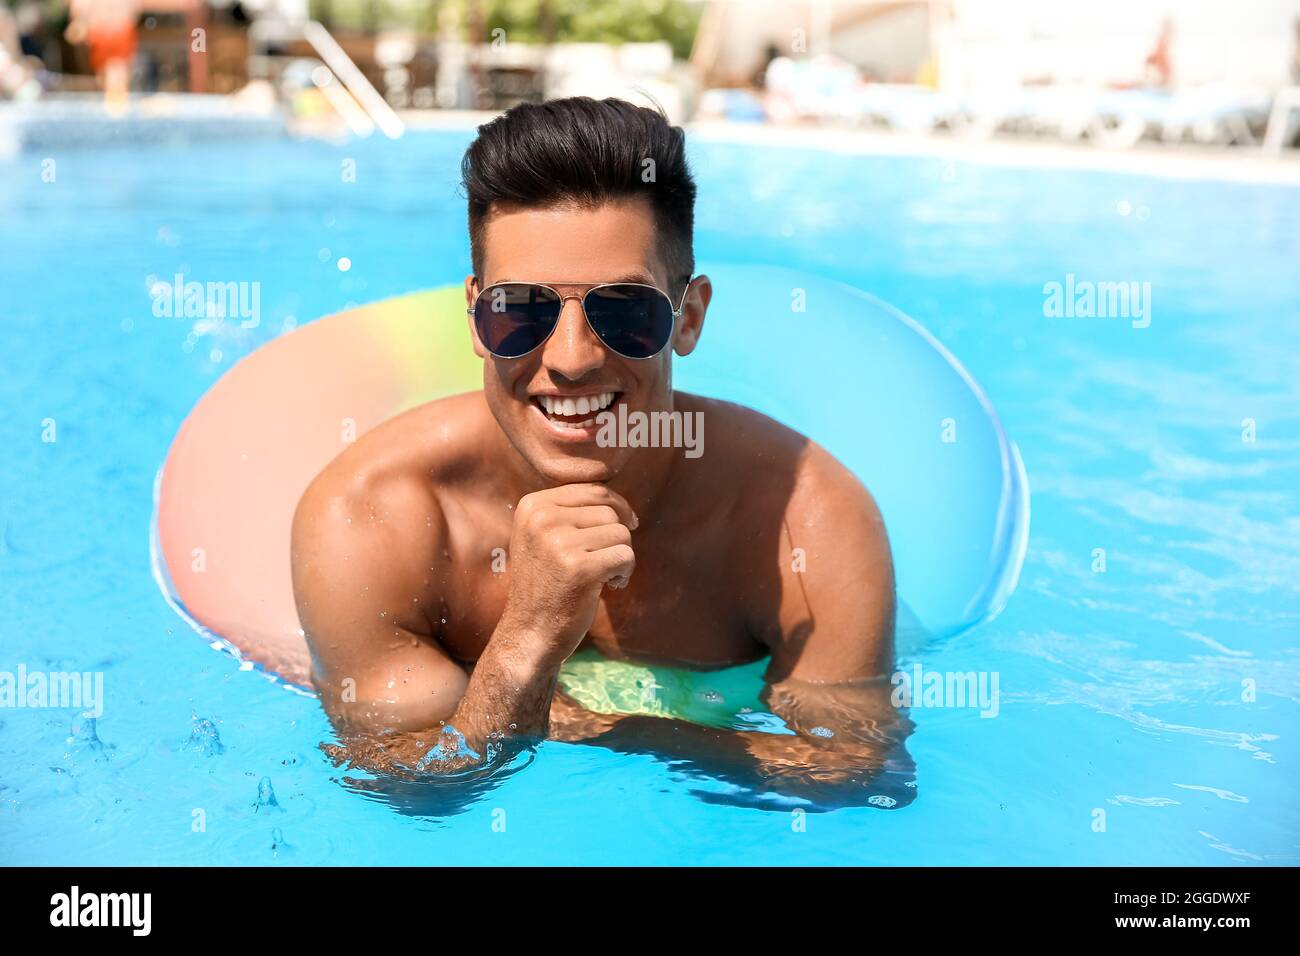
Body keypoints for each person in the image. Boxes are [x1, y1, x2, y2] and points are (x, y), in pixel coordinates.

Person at [291, 97, 910, 805]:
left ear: (690, 317)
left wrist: (592, 727)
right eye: (520, 309)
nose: (573, 359)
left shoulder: (803, 518)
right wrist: (526, 639)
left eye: (624, 310)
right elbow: (406, 786)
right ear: (473, 316)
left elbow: (857, 774)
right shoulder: (371, 515)